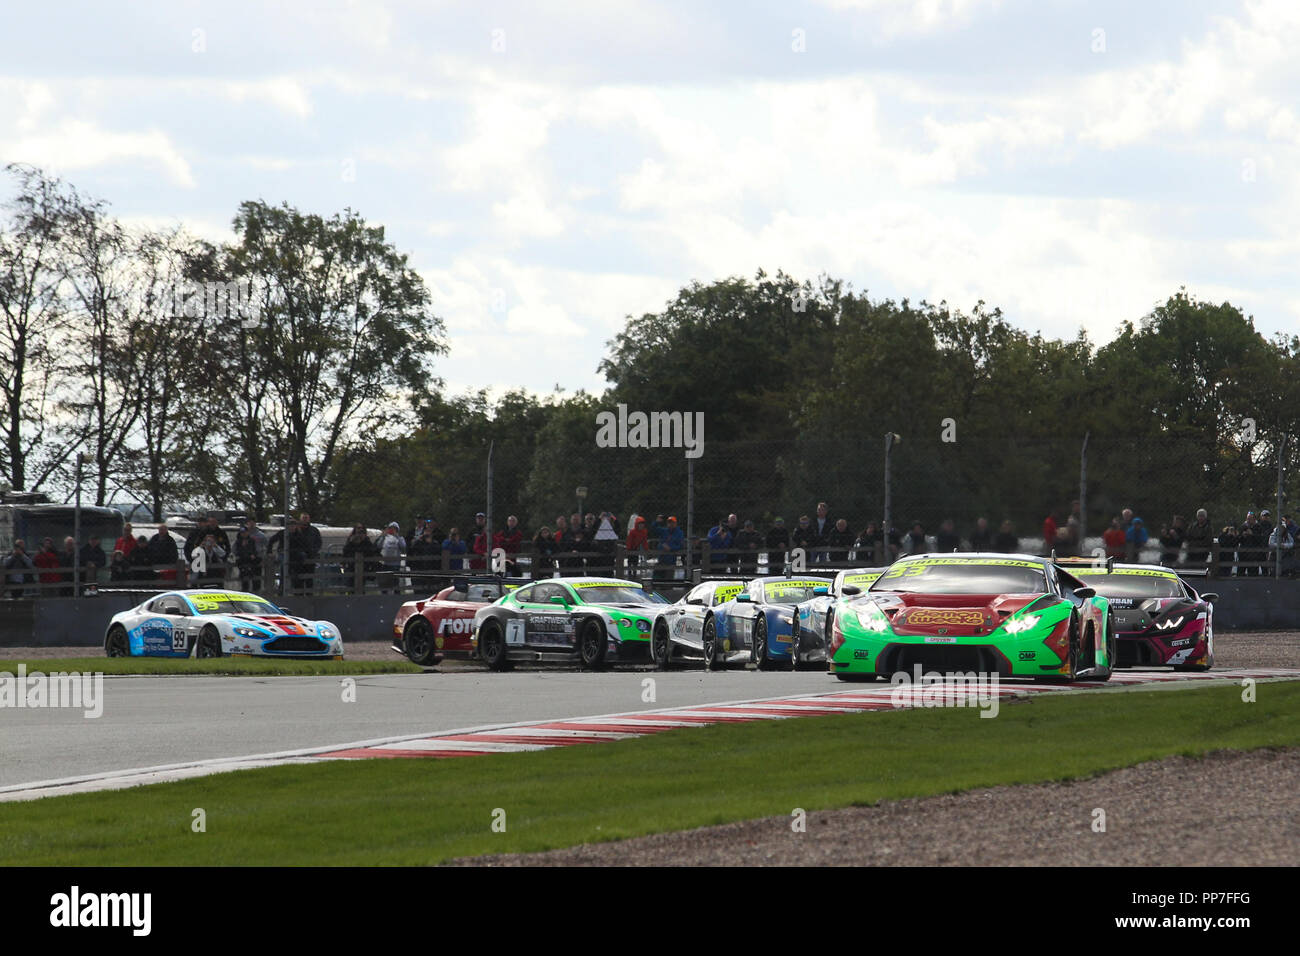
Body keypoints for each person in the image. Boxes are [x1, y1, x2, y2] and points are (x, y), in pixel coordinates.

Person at [655, 516, 684, 581]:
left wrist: (670, 548)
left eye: (672, 522)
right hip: (661, 559)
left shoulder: (679, 533)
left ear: (676, 523)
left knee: (669, 580)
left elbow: (680, 546)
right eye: (669, 522)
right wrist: (657, 522)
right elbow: (654, 529)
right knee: (658, 580)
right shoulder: (664, 531)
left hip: (671, 560)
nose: (671, 524)